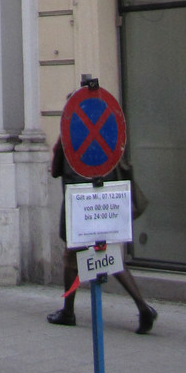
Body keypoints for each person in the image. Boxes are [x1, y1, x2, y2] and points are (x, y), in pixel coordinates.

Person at [47, 130, 157, 334]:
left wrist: (60, 144)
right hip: (105, 202)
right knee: (110, 255)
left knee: (72, 258)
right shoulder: (106, 132)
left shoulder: (69, 135)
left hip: (81, 205)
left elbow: (55, 170)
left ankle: (68, 312)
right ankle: (143, 307)